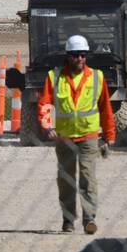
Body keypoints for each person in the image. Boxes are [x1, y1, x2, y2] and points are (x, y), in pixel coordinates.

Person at [38, 34, 115, 234]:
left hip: (89, 136)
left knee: (88, 177)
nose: (79, 59)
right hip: (64, 138)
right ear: (68, 56)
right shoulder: (54, 77)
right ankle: (68, 220)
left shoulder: (97, 77)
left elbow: (105, 108)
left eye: (83, 55)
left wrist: (109, 136)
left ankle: (89, 219)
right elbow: (45, 103)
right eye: (75, 55)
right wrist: (48, 126)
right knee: (66, 179)